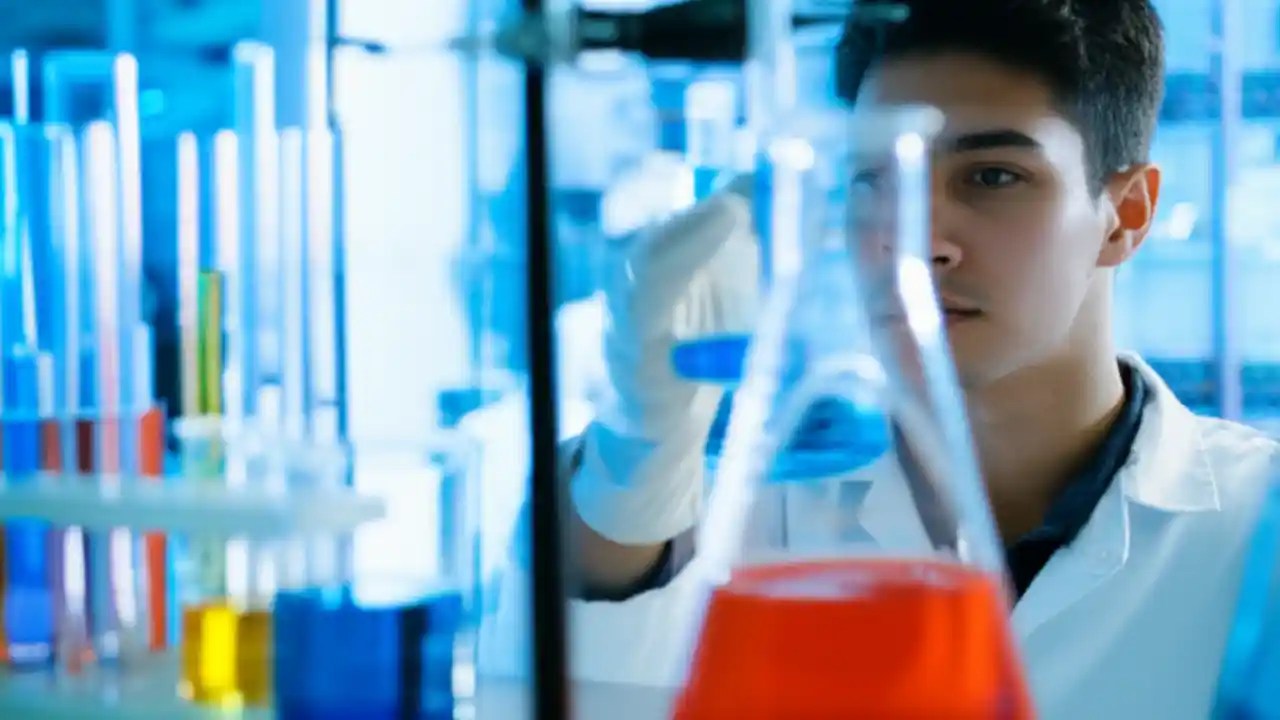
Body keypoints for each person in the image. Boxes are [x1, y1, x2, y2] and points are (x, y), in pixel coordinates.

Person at [484, 0, 1280, 717]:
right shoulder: (746, 509)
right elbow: (551, 695)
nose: (915, 238)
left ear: (1125, 214)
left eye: (994, 175)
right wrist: (635, 466)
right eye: (877, 179)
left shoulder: (1260, 525)